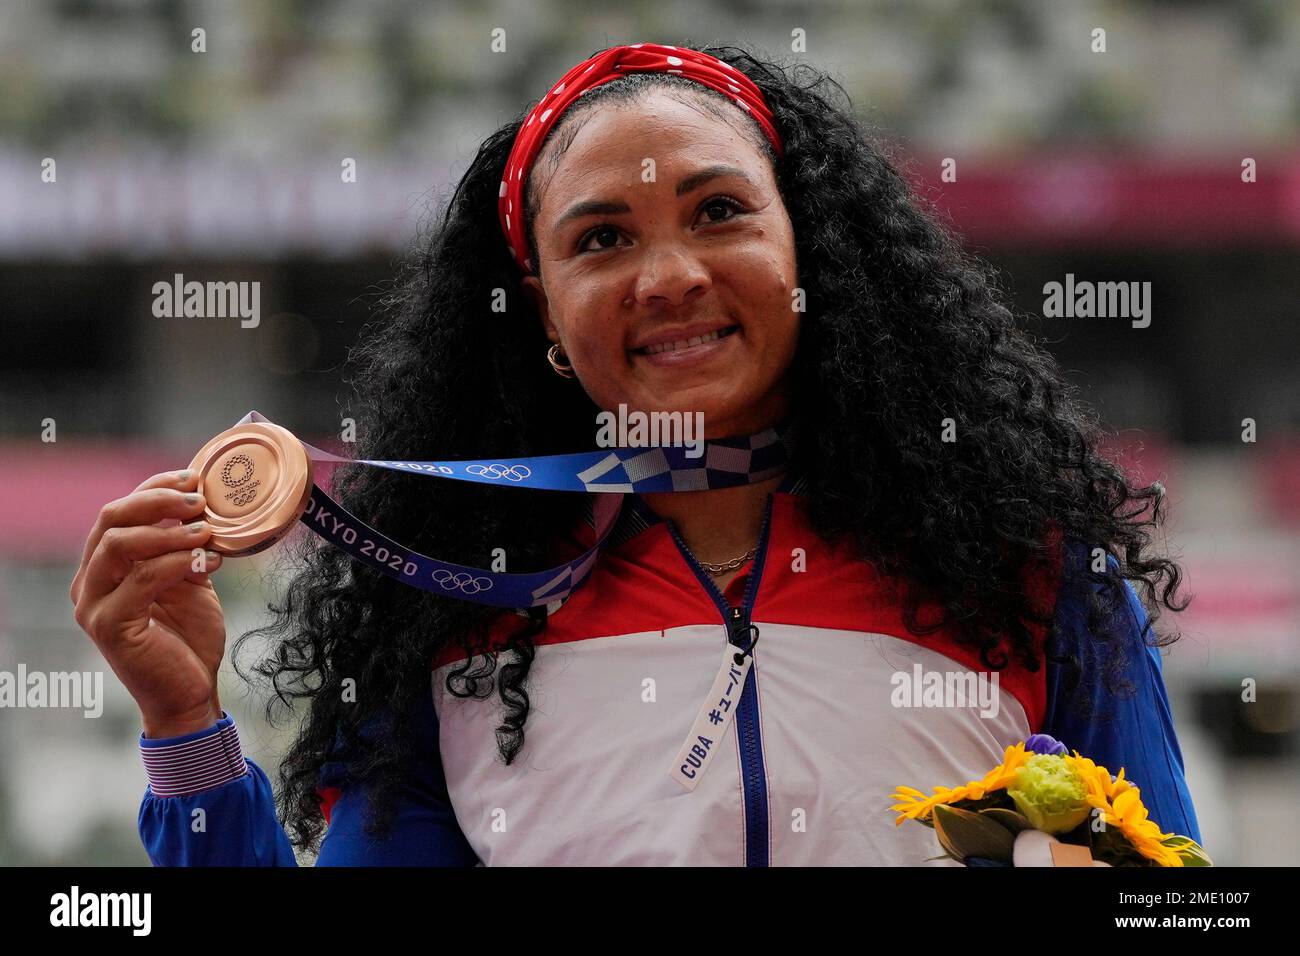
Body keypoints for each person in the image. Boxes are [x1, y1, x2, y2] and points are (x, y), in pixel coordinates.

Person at [69, 42, 1201, 866]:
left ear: (808, 253)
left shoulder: (1032, 565)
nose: (668, 277)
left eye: (719, 213)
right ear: (544, 313)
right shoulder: (443, 604)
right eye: (602, 238)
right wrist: (186, 728)